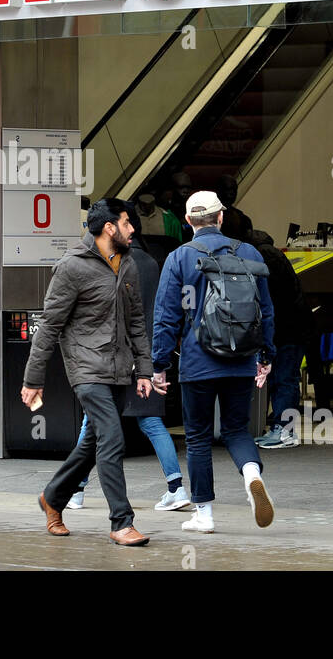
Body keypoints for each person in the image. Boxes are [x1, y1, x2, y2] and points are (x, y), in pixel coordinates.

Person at [22, 198, 157, 547]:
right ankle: (121, 523)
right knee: (113, 437)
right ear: (109, 227)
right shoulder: (72, 267)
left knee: (92, 444)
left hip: (118, 370)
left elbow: (137, 321)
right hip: (86, 370)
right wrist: (33, 380)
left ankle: (52, 497)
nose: (132, 230)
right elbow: (49, 325)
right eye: (127, 223)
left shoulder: (127, 264)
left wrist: (144, 370)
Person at [152, 190, 276, 533]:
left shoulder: (179, 257)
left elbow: (166, 317)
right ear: (221, 218)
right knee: (236, 429)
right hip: (241, 358)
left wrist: (159, 364)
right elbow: (265, 310)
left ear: (188, 222)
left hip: (197, 361)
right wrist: (266, 354)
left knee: (198, 437)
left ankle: (204, 515)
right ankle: (251, 474)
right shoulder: (248, 252)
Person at [68, 207, 189, 513]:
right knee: (151, 422)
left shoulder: (112, 263)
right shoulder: (152, 263)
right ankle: (176, 487)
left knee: (91, 422)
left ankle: (77, 490)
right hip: (146, 353)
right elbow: (161, 312)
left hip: (112, 356)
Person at [251, 229, 315, 448]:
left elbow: (271, 299)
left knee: (284, 379)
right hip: (293, 327)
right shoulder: (274, 254)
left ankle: (284, 430)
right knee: (285, 378)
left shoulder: (263, 257)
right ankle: (282, 428)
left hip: (286, 328)